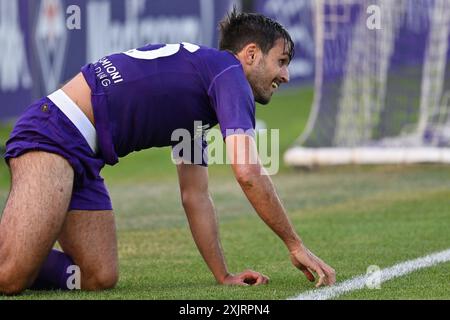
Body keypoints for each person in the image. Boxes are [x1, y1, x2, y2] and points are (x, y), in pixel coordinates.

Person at [0, 9, 335, 295]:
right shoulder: (229, 74)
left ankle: (21, 251)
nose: (286, 75)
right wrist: (294, 243)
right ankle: (17, 255)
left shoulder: (202, 94)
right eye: (281, 61)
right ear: (250, 54)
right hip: (53, 133)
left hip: (85, 160)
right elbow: (248, 173)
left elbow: (195, 196)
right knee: (10, 275)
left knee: (97, 276)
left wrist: (223, 275)